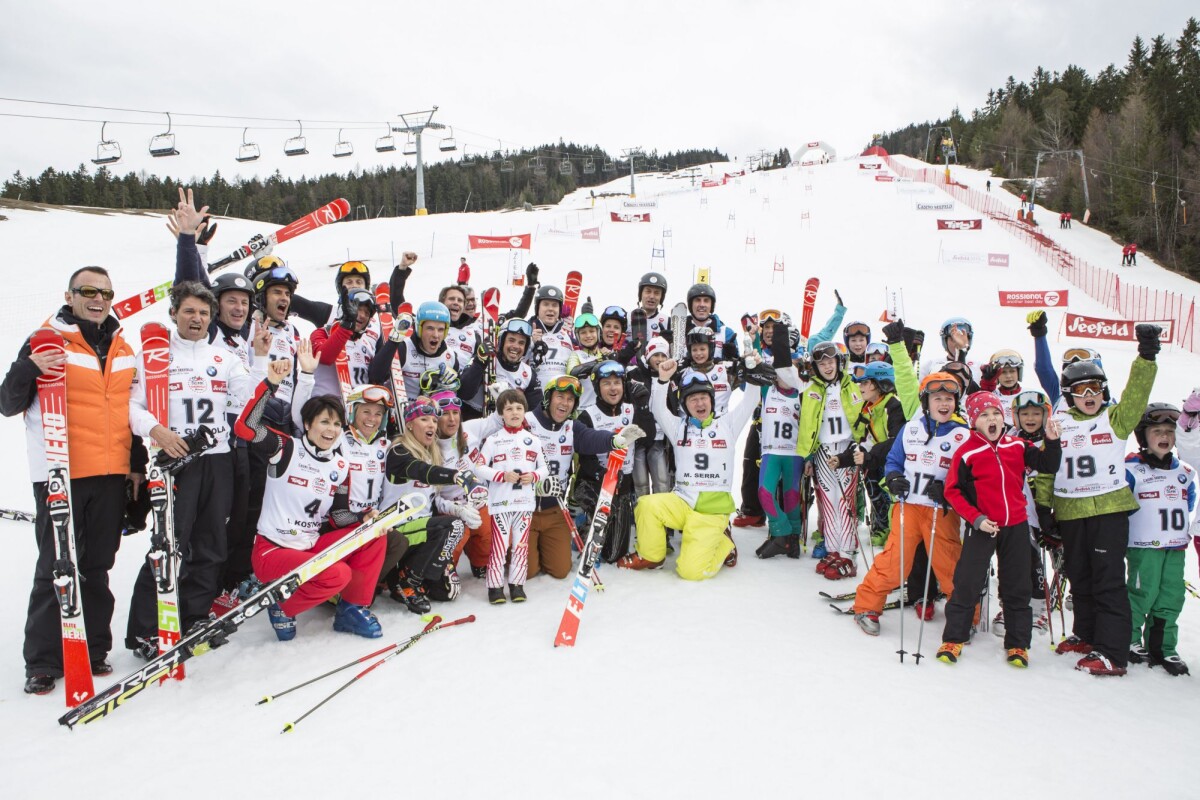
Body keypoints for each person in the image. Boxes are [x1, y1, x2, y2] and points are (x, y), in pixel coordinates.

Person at [2, 266, 141, 694]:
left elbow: (131, 414)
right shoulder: (47, 338)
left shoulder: (123, 348)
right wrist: (28, 367)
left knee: (97, 566)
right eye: (88, 291)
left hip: (110, 472)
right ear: (70, 294)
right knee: (55, 567)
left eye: (106, 292)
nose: (98, 298)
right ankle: (43, 660)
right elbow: (7, 404)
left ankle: (93, 648)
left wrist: (135, 468)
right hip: (59, 473)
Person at [125, 282, 253, 659]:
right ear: (174, 315)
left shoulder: (224, 358)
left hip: (217, 459)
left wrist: (260, 361)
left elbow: (246, 401)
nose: (196, 319)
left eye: (202, 313)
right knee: (168, 544)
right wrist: (156, 430)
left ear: (211, 318)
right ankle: (147, 629)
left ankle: (195, 616)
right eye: (189, 312)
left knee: (212, 543)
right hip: (174, 461)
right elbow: (131, 408)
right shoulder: (153, 357)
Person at [235, 360, 390, 641]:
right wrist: (269, 385)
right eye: (323, 422)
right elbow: (245, 428)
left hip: (309, 547)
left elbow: (341, 515)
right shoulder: (286, 448)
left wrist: (364, 519)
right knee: (337, 574)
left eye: (335, 423)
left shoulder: (340, 466)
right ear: (307, 424)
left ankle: (352, 609)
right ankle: (283, 608)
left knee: (375, 536)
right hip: (273, 550)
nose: (330, 430)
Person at [1050, 324, 1159, 676]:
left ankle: (1113, 651)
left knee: (1108, 579)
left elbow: (1136, 396)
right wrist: (1042, 506)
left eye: (1095, 388)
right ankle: (1087, 633)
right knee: (1079, 575)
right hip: (1069, 510)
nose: (1089, 395)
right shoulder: (1059, 421)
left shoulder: (1114, 419)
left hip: (1108, 509)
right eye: (1081, 390)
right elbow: (1047, 468)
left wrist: (1145, 357)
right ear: (1069, 394)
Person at [936, 392, 1062, 667]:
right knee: (967, 583)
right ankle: (954, 638)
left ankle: (1018, 644)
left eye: (995, 414)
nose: (991, 419)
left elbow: (1048, 464)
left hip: (1015, 525)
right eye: (984, 415)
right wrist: (976, 518)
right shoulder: (967, 452)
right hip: (983, 527)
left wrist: (1052, 442)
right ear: (974, 421)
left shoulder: (1017, 445)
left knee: (1018, 586)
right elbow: (953, 492)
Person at [620, 358, 758, 580]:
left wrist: (753, 373)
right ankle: (652, 556)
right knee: (647, 504)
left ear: (712, 400)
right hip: (682, 502)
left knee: (690, 572)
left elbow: (751, 400)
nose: (699, 403)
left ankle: (723, 543)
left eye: (703, 397)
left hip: (710, 511)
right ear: (685, 404)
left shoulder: (727, 425)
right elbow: (657, 408)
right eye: (693, 399)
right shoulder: (678, 428)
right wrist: (662, 380)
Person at [851, 373, 968, 636]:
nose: (944, 404)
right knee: (895, 561)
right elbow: (894, 460)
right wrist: (893, 478)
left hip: (942, 510)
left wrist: (949, 489)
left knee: (948, 565)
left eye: (948, 399)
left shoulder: (963, 435)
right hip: (908, 507)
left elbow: (968, 474)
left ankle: (963, 616)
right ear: (926, 402)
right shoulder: (912, 428)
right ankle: (868, 605)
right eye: (937, 398)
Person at [380, 395, 480, 614]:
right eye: (425, 419)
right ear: (409, 424)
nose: (432, 425)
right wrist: (456, 476)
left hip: (421, 533)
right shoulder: (399, 451)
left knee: (448, 591)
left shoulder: (430, 455)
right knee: (453, 526)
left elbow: (433, 502)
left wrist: (457, 508)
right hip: (397, 531)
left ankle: (404, 577)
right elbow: (422, 472)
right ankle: (408, 582)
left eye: (434, 421)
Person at [1124, 403, 1193, 676]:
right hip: (1144, 548)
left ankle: (1163, 647)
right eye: (1157, 431)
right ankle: (1129, 640)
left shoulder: (1185, 473)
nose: (1164, 436)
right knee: (1142, 594)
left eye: (1169, 431)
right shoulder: (1131, 468)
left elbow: (1188, 506)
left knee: (1171, 596)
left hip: (1174, 547)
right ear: (1144, 436)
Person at [794, 340, 867, 579]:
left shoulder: (851, 387)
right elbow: (807, 425)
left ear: (839, 362)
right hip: (823, 452)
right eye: (822, 363)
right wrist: (808, 456)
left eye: (831, 361)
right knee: (829, 502)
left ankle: (848, 554)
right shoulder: (811, 389)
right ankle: (834, 549)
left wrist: (862, 448)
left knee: (846, 504)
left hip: (846, 449)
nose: (827, 367)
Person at [574, 361, 650, 562]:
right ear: (598, 387)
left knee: (614, 554)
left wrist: (642, 406)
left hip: (622, 486)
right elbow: (585, 457)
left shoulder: (630, 410)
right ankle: (585, 522)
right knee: (600, 547)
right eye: (606, 383)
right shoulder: (588, 415)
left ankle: (606, 525)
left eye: (617, 382)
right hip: (594, 484)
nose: (613, 388)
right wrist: (603, 475)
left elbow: (648, 437)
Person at [477, 390, 547, 603]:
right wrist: (501, 475)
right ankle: (495, 587)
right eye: (509, 409)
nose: (514, 413)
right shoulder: (493, 440)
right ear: (501, 414)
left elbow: (543, 468)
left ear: (524, 411)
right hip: (501, 503)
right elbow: (478, 467)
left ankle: (517, 585)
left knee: (520, 545)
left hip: (524, 503)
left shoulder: (533, 440)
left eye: (518, 408)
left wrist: (534, 476)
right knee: (499, 546)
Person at [369, 300, 456, 402]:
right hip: (401, 412)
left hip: (429, 414)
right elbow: (375, 376)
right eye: (430, 328)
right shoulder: (404, 348)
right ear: (419, 329)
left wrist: (448, 387)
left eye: (441, 330)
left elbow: (460, 396)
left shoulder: (450, 356)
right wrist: (393, 342)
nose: (436, 335)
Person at [309, 287, 379, 398]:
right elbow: (324, 357)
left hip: (356, 409)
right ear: (343, 309)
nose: (362, 315)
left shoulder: (368, 344)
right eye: (358, 309)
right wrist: (346, 327)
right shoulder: (322, 333)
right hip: (325, 407)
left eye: (367, 313)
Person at [978, 348, 1026, 426]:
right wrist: (986, 386)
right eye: (1003, 372)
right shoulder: (990, 395)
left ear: (1019, 372)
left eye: (1012, 371)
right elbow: (979, 407)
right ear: (996, 375)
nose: (1008, 376)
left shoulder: (1029, 395)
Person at [636, 272, 669, 337]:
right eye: (648, 291)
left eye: (656, 293)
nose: (652, 296)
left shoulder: (667, 322)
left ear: (661, 298)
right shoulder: (628, 318)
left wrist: (669, 343)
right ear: (640, 294)